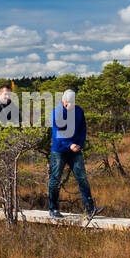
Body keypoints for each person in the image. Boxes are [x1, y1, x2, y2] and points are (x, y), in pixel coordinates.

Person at [48, 89, 101, 220]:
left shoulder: (78, 111)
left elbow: (83, 128)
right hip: (60, 150)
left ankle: (90, 208)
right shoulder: (57, 113)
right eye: (69, 102)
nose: (71, 105)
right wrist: (69, 144)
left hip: (75, 150)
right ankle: (53, 208)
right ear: (64, 101)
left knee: (82, 177)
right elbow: (57, 133)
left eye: (73, 102)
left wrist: (78, 144)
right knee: (55, 178)